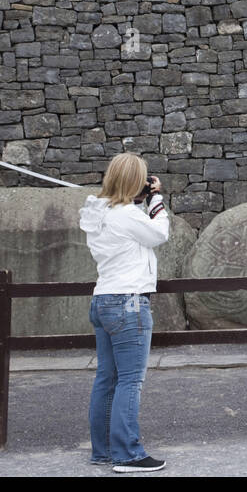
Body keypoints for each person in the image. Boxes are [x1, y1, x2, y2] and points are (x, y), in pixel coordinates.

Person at [79, 152, 170, 473]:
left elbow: (133, 230)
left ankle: (103, 451)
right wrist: (156, 198)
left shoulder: (100, 214)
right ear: (136, 181)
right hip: (129, 303)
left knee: (107, 379)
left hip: (102, 300)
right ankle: (128, 455)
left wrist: (139, 199)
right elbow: (159, 234)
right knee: (130, 381)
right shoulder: (127, 215)